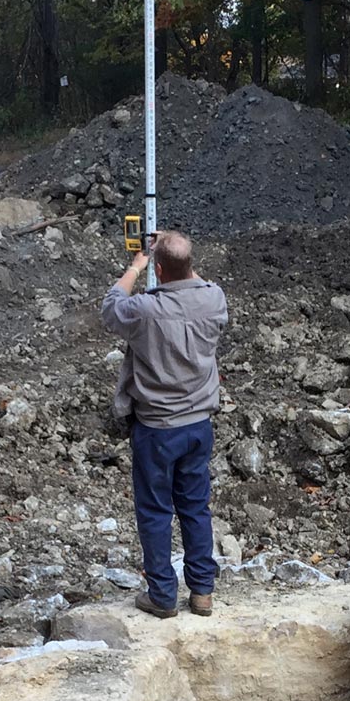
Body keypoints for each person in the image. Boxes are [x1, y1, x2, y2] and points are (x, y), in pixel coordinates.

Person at [100, 230, 228, 619]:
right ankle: (202, 592)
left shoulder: (144, 310)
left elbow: (110, 306)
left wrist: (136, 266)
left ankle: (162, 595)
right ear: (191, 264)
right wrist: (173, 252)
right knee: (195, 507)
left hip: (157, 427)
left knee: (156, 510)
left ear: (158, 269)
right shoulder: (214, 298)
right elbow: (192, 278)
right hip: (198, 425)